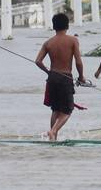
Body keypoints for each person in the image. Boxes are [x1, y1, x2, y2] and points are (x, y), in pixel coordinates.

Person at [35, 12, 86, 141]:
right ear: (67, 26)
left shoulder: (48, 43)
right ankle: (53, 131)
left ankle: (53, 138)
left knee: (56, 109)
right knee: (68, 109)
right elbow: (78, 61)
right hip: (65, 77)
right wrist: (81, 77)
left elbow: (38, 61)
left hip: (52, 78)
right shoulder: (73, 40)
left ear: (54, 26)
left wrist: (49, 72)